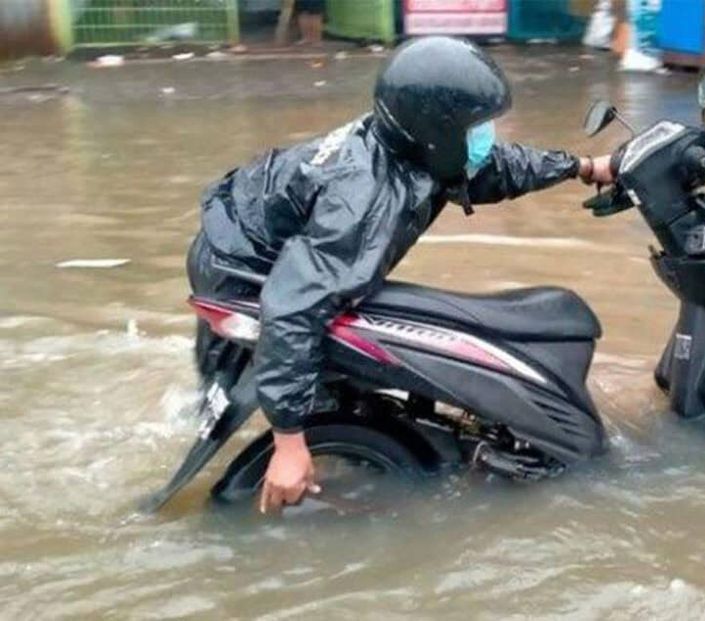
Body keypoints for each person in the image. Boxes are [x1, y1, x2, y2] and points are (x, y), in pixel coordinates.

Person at [186, 36, 616, 514]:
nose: (487, 136)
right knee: (324, 328)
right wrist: (290, 441)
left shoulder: (408, 148)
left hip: (240, 247)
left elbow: (496, 168)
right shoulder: (364, 202)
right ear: (436, 130)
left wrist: (583, 167)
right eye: (477, 127)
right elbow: (294, 306)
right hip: (246, 275)